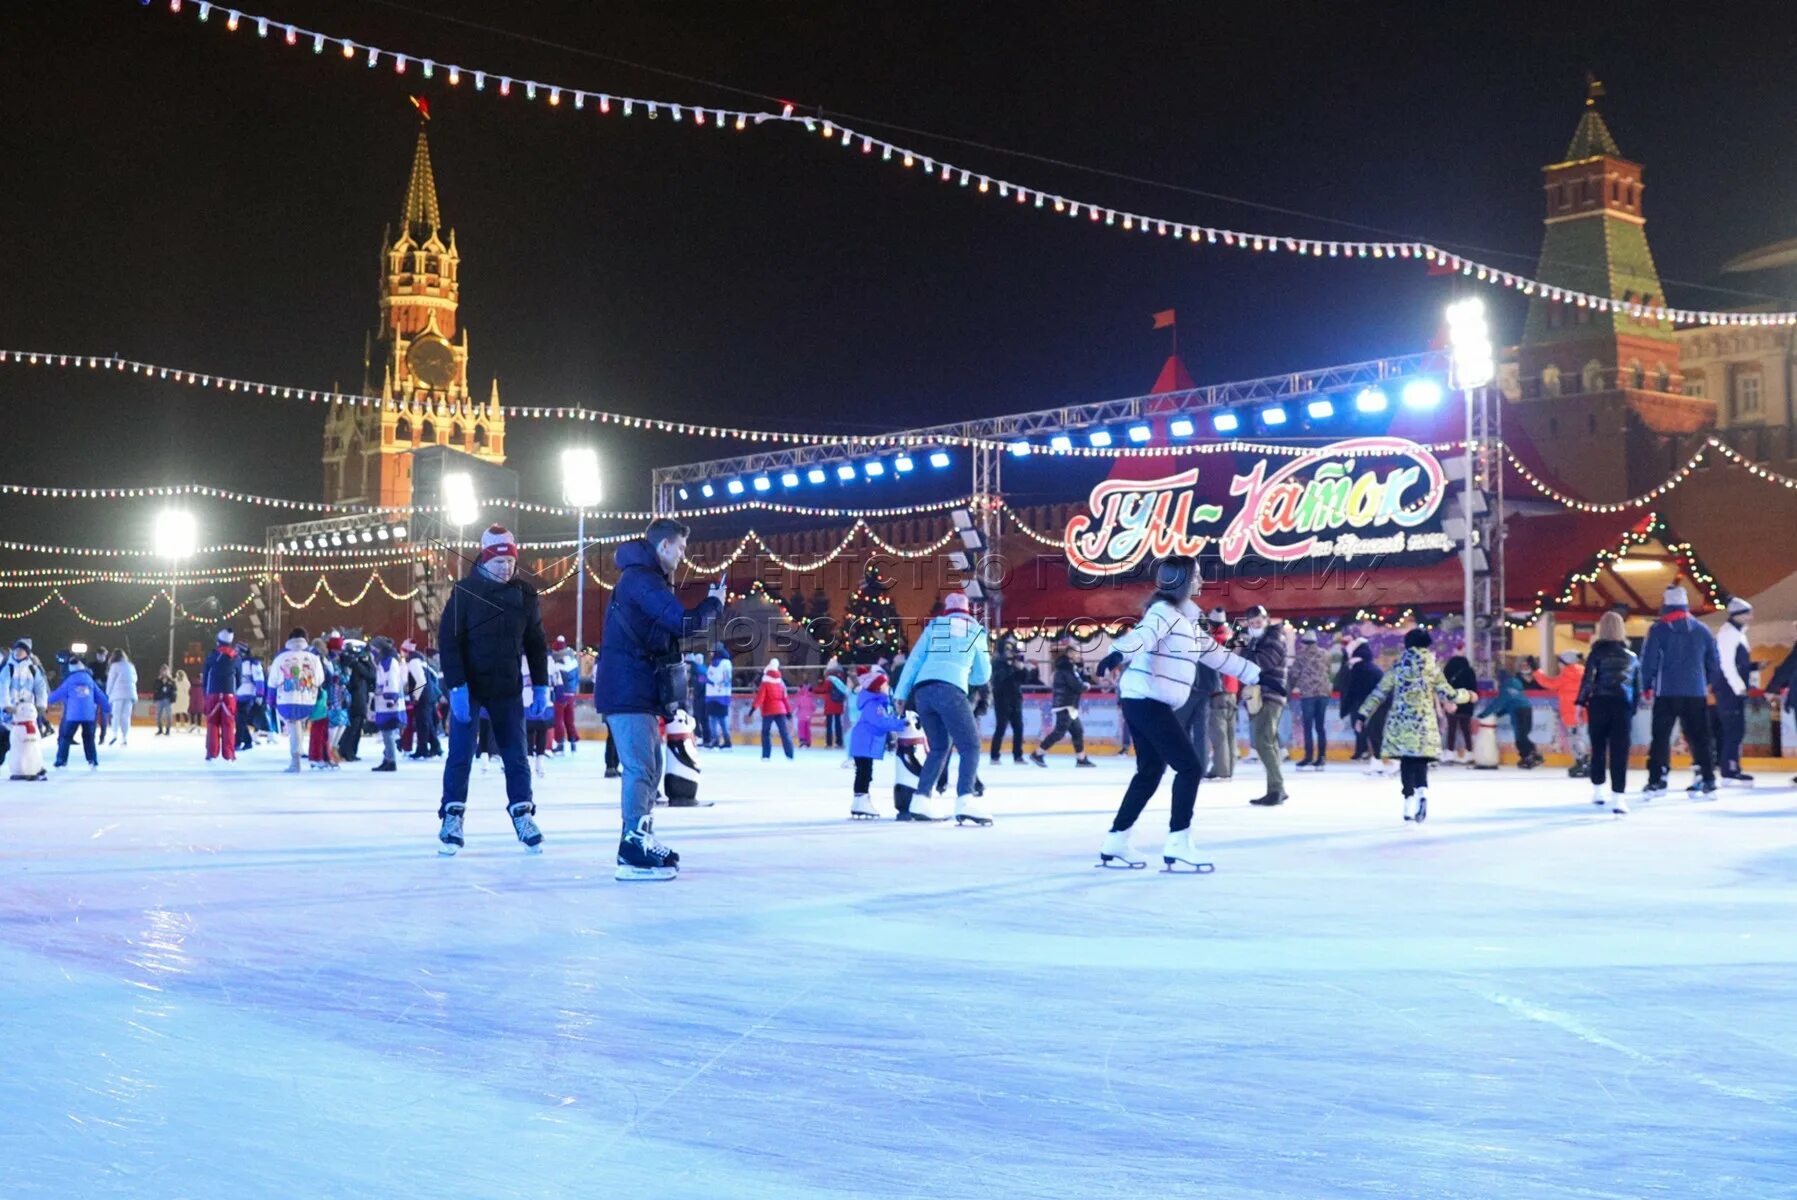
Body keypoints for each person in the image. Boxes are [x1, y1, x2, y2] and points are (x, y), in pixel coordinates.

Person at [1097, 556, 1257, 870]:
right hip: (1146, 698)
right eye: (1196, 576)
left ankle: (1116, 840)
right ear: (1182, 580)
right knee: (1189, 767)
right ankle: (1178, 841)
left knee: (1150, 772)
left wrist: (1258, 675)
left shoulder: (1186, 623)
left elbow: (1218, 656)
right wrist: (1117, 654)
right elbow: (1141, 638)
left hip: (1146, 699)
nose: (1201, 582)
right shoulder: (1164, 613)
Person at [595, 517, 726, 880]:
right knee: (640, 768)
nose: (683, 556)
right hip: (628, 689)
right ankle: (631, 849)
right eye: (681, 548)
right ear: (664, 546)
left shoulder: (647, 579)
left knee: (650, 766)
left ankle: (641, 837)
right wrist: (713, 605)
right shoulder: (641, 580)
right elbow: (684, 624)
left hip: (637, 687)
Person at [436, 525, 553, 854]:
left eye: (511, 563)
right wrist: (456, 685)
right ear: (485, 561)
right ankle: (452, 816)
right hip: (469, 687)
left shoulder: (525, 594)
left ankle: (523, 813)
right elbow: (448, 641)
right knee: (461, 753)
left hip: (506, 688)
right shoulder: (465, 591)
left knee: (516, 755)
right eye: (499, 563)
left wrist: (541, 684)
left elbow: (536, 642)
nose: (506, 568)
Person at [1356, 628, 1475, 823]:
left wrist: (1362, 714)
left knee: (1407, 763)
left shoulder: (1399, 666)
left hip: (1401, 723)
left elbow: (1379, 692)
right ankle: (1422, 794)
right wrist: (1468, 695)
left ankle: (1408, 802)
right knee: (1420, 762)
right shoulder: (1432, 667)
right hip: (1423, 723)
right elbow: (1449, 694)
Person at [893, 592, 993, 824]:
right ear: (967, 611)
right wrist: (968, 676)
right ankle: (965, 800)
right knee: (970, 745)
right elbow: (984, 673)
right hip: (951, 690)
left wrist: (900, 694)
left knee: (939, 747)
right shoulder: (975, 631)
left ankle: (921, 799)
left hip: (923, 692)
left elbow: (914, 661)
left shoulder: (934, 627)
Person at [1639, 584, 1721, 798]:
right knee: (1699, 736)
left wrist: (1646, 685)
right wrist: (1709, 682)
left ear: (1665, 604)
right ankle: (1707, 778)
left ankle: (1658, 779)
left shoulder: (1659, 629)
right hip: (1695, 691)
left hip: (1666, 692)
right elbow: (1714, 662)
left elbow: (1649, 661)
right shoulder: (1702, 630)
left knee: (1661, 737)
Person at [1576, 611, 1640, 814]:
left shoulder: (1596, 654)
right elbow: (1638, 686)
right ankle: (1619, 798)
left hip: (1599, 704)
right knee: (1620, 751)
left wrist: (1580, 703)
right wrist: (1632, 708)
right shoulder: (1632, 657)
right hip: (1622, 705)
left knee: (1598, 748)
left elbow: (1588, 681)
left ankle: (1598, 790)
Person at [1239, 605, 1291, 806]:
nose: (1255, 625)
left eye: (1258, 622)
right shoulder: (1259, 639)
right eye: (1251, 623)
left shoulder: (1274, 638)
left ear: (1266, 619)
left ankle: (1276, 788)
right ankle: (1276, 789)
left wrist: (1244, 650)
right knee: (1268, 740)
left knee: (1262, 741)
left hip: (1271, 695)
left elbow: (1260, 663)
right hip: (1263, 695)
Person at [848, 665, 907, 818]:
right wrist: (902, 724)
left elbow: (885, 720)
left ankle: (859, 801)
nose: (887, 687)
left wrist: (897, 720)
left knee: (864, 772)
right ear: (877, 688)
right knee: (864, 772)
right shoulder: (873, 704)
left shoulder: (878, 703)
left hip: (864, 742)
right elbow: (881, 723)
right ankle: (861, 800)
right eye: (884, 684)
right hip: (864, 743)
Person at [1029, 637, 1095, 768]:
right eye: (1076, 653)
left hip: (1069, 705)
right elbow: (1076, 685)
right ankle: (1038, 753)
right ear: (1069, 654)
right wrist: (1085, 686)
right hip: (1065, 705)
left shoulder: (1070, 668)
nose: (1078, 655)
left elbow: (1077, 682)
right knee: (1059, 732)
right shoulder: (1066, 669)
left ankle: (1081, 758)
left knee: (1077, 731)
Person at [267, 629, 326, 773]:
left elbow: (272, 680)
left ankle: (296, 760)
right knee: (299, 726)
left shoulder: (281, 657)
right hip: (307, 698)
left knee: (294, 727)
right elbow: (320, 679)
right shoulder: (313, 657)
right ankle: (298, 756)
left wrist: (270, 699)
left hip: (286, 698)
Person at [1713, 596, 1756, 783]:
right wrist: (1739, 687)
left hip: (1732, 688)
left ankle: (1731, 766)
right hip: (1729, 689)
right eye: (1748, 613)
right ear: (1738, 615)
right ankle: (1729, 769)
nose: (1751, 617)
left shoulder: (1738, 633)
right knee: (1733, 729)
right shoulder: (1728, 634)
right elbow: (1726, 664)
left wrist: (1753, 667)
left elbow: (1737, 663)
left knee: (1735, 729)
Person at [1532, 651, 1590, 776]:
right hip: (1582, 709)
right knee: (1579, 736)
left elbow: (1550, 684)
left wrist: (1537, 671)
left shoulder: (1568, 673)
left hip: (1570, 710)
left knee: (1574, 738)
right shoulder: (1582, 671)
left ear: (1565, 663)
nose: (1559, 665)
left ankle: (1582, 762)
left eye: (1560, 663)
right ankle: (1583, 761)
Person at [47, 655, 110, 772]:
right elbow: (100, 695)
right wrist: (107, 707)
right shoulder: (89, 680)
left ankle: (61, 761)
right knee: (89, 738)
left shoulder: (69, 680)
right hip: (89, 715)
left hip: (72, 715)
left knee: (65, 738)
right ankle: (92, 760)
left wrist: (47, 701)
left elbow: (58, 694)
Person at [1478, 669, 1540, 768]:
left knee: (1520, 738)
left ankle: (1528, 757)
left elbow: (1497, 703)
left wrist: (1483, 714)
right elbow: (1510, 705)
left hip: (1519, 712)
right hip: (1527, 709)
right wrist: (1498, 714)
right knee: (1523, 736)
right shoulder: (1517, 686)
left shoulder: (1506, 688)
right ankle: (1532, 754)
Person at [1289, 629, 1332, 770]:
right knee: (1320, 727)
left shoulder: (1301, 656)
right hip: (1323, 694)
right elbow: (1329, 671)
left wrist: (1287, 690)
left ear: (1304, 643)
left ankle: (1308, 757)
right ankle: (1321, 758)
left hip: (1308, 695)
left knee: (1308, 727)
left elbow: (1294, 675)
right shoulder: (1326, 654)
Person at [1205, 611, 1239, 779]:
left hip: (1218, 692)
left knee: (1219, 735)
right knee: (1230, 734)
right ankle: (1228, 768)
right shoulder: (1231, 639)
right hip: (1232, 690)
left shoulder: (1214, 642)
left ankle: (1221, 770)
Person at [201, 629, 241, 762]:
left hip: (213, 693)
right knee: (228, 724)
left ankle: (211, 753)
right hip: (229, 694)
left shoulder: (212, 656)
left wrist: (204, 693)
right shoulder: (236, 657)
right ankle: (229, 754)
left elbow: (206, 676)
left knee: (212, 723)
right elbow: (239, 678)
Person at [1341, 641, 1383, 762]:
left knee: (1361, 727)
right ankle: (1372, 754)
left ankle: (1364, 752)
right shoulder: (1373, 667)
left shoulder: (1355, 667)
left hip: (1360, 701)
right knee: (1373, 730)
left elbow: (1351, 687)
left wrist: (1345, 706)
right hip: (1375, 702)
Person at [335, 638, 375, 762]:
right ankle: (346, 751)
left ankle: (350, 751)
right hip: (357, 700)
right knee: (353, 728)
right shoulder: (356, 665)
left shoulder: (354, 664)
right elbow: (371, 674)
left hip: (359, 699)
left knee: (356, 728)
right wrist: (366, 661)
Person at [987, 641, 1027, 765]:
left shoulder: (1015, 662)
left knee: (1019, 728)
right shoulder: (996, 663)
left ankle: (1018, 755)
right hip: (1002, 699)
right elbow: (998, 679)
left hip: (1016, 699)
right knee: (1001, 728)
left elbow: (1024, 679)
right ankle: (994, 756)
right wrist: (1010, 666)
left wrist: (1022, 669)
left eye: (1011, 649)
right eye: (1008, 649)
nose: (1010, 652)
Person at [751, 658, 795, 760]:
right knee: (784, 732)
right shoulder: (781, 683)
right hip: (781, 710)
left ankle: (766, 755)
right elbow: (785, 698)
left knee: (766, 732)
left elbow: (760, 698)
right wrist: (788, 712)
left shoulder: (765, 682)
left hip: (768, 711)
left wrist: (753, 708)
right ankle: (790, 754)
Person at [1440, 652, 1478, 765]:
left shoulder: (1448, 671)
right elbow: (1473, 688)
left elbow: (1444, 688)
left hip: (1452, 704)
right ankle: (1469, 753)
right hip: (1466, 705)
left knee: (1451, 731)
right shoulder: (1469, 671)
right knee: (1466, 730)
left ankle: (1450, 753)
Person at [550, 636, 583, 753]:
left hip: (560, 693)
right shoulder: (574, 662)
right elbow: (577, 678)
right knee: (569, 718)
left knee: (558, 719)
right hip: (571, 694)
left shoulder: (555, 663)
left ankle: (560, 742)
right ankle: (573, 740)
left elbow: (553, 679)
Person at [104, 649, 138, 746]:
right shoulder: (131, 666)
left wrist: (108, 693)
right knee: (126, 717)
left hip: (117, 694)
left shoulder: (114, 666)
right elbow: (135, 679)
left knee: (116, 715)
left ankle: (114, 734)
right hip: (130, 693)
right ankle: (125, 737)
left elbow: (111, 680)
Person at [705, 648, 734, 749]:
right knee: (720, 718)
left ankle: (716, 739)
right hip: (721, 694)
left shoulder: (717, 664)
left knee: (713, 718)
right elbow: (727, 679)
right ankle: (725, 739)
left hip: (713, 694)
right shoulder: (725, 663)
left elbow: (725, 679)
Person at [822, 658, 849, 749]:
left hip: (830, 703)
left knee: (829, 724)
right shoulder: (841, 677)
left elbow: (824, 689)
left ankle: (829, 743)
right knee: (838, 723)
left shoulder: (828, 678)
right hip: (838, 703)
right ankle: (839, 742)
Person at [791, 666, 816, 748]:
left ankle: (802, 740)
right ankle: (808, 741)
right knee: (807, 728)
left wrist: (790, 710)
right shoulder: (810, 696)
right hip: (808, 715)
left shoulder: (800, 696)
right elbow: (814, 706)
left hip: (801, 715)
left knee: (801, 728)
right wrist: (811, 711)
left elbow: (795, 705)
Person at [152, 665, 176, 736]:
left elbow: (174, 689)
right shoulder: (158, 680)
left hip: (168, 699)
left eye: (166, 671)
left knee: (169, 715)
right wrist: (161, 683)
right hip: (160, 699)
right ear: (161, 671)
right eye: (163, 671)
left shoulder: (171, 680)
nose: (164, 672)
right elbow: (155, 687)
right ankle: (160, 729)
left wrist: (168, 684)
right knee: (158, 715)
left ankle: (168, 730)